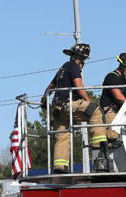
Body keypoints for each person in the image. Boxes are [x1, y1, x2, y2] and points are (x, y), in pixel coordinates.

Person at [41, 43, 107, 173]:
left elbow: (50, 86)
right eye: (82, 59)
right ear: (77, 57)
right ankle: (99, 154)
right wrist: (89, 102)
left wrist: (44, 100)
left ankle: (60, 167)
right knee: (96, 111)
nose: (82, 62)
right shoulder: (73, 67)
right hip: (69, 105)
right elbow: (79, 87)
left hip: (58, 109)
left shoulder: (63, 68)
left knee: (62, 136)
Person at [100, 52, 126, 143]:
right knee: (114, 136)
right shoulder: (112, 77)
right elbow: (118, 96)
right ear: (124, 66)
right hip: (109, 111)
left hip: (120, 110)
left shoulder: (125, 79)